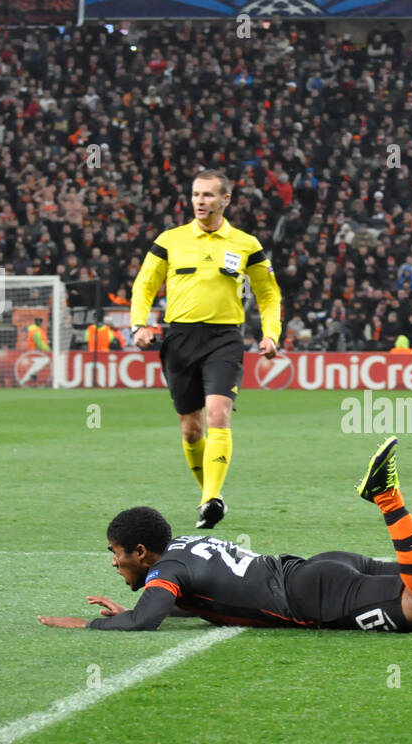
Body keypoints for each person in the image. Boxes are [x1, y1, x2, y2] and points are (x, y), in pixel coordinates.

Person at [37, 437, 412, 633]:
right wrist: (141, 604)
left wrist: (86, 625)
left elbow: (146, 623)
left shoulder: (167, 570)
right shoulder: (183, 547)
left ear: (142, 552)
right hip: (316, 569)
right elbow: (185, 599)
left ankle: (387, 497)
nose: (114, 564)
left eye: (116, 555)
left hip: (313, 593)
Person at [130, 169, 284, 530]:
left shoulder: (246, 244)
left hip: (224, 339)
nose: (200, 201)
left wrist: (271, 333)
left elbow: (268, 294)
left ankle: (211, 498)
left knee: (218, 413)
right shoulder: (170, 240)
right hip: (179, 339)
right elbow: (144, 285)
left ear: (225, 200)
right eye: (196, 194)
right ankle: (210, 499)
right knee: (191, 431)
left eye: (209, 195)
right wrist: (139, 324)